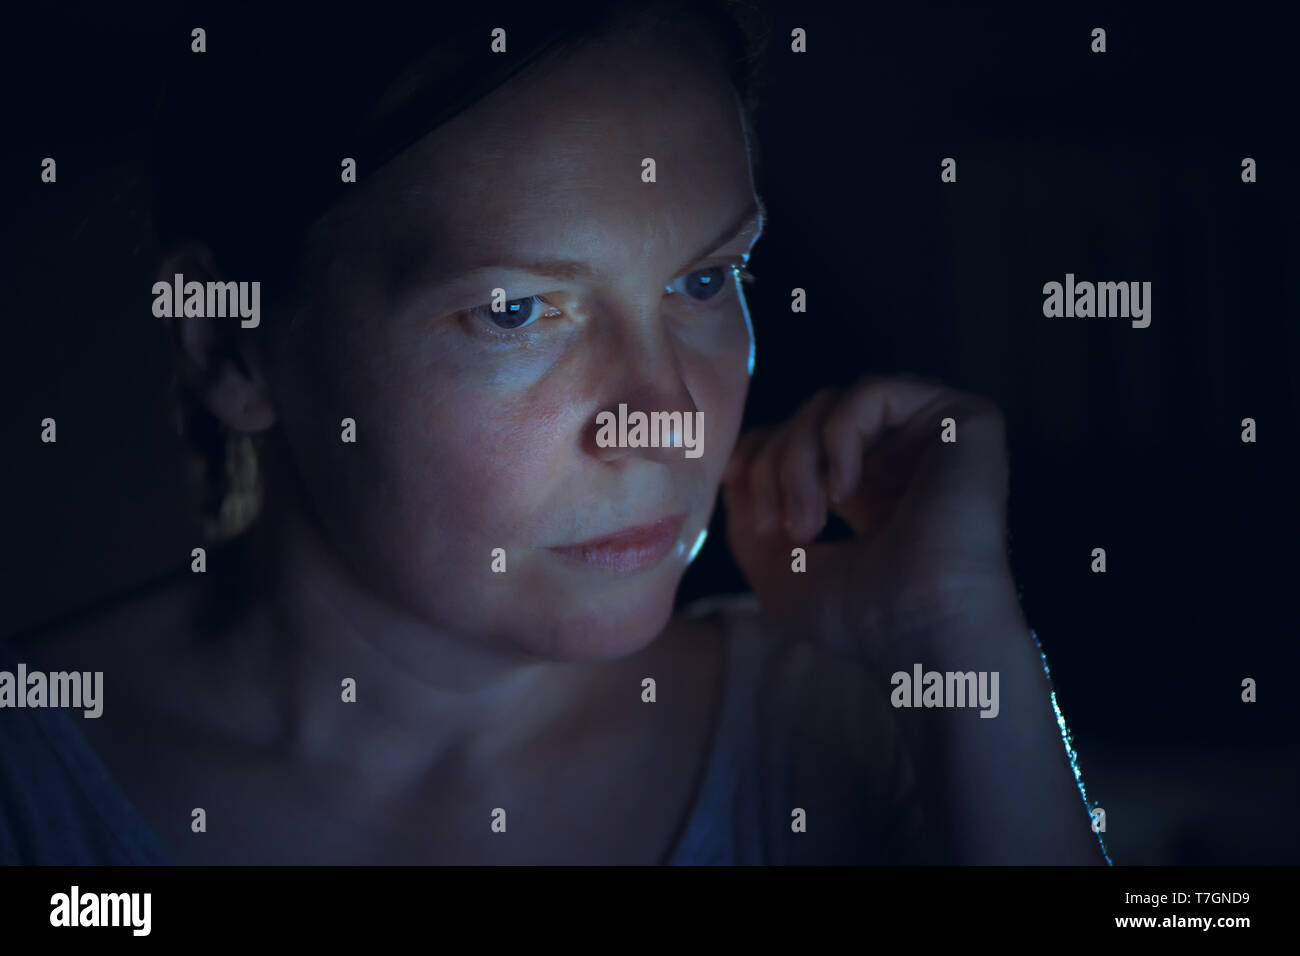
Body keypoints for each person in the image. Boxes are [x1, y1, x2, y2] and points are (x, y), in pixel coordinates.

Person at [0, 0, 1107, 865]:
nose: (669, 417)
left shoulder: (856, 735)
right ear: (228, 345)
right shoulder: (34, 794)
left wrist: (963, 632)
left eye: (706, 277)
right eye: (515, 310)